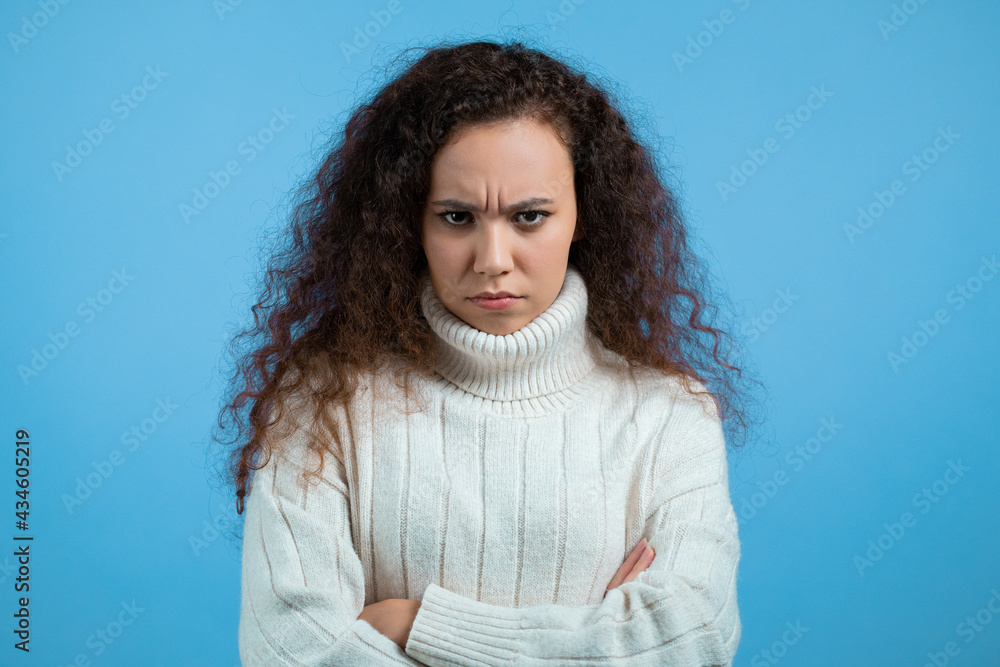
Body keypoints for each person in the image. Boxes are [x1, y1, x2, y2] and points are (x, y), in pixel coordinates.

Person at [215, 38, 757, 666]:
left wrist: (416, 624)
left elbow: (694, 641)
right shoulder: (323, 400)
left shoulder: (671, 415)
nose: (493, 260)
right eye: (456, 217)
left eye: (529, 217)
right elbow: (292, 655)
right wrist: (590, 646)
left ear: (584, 214)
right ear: (406, 219)